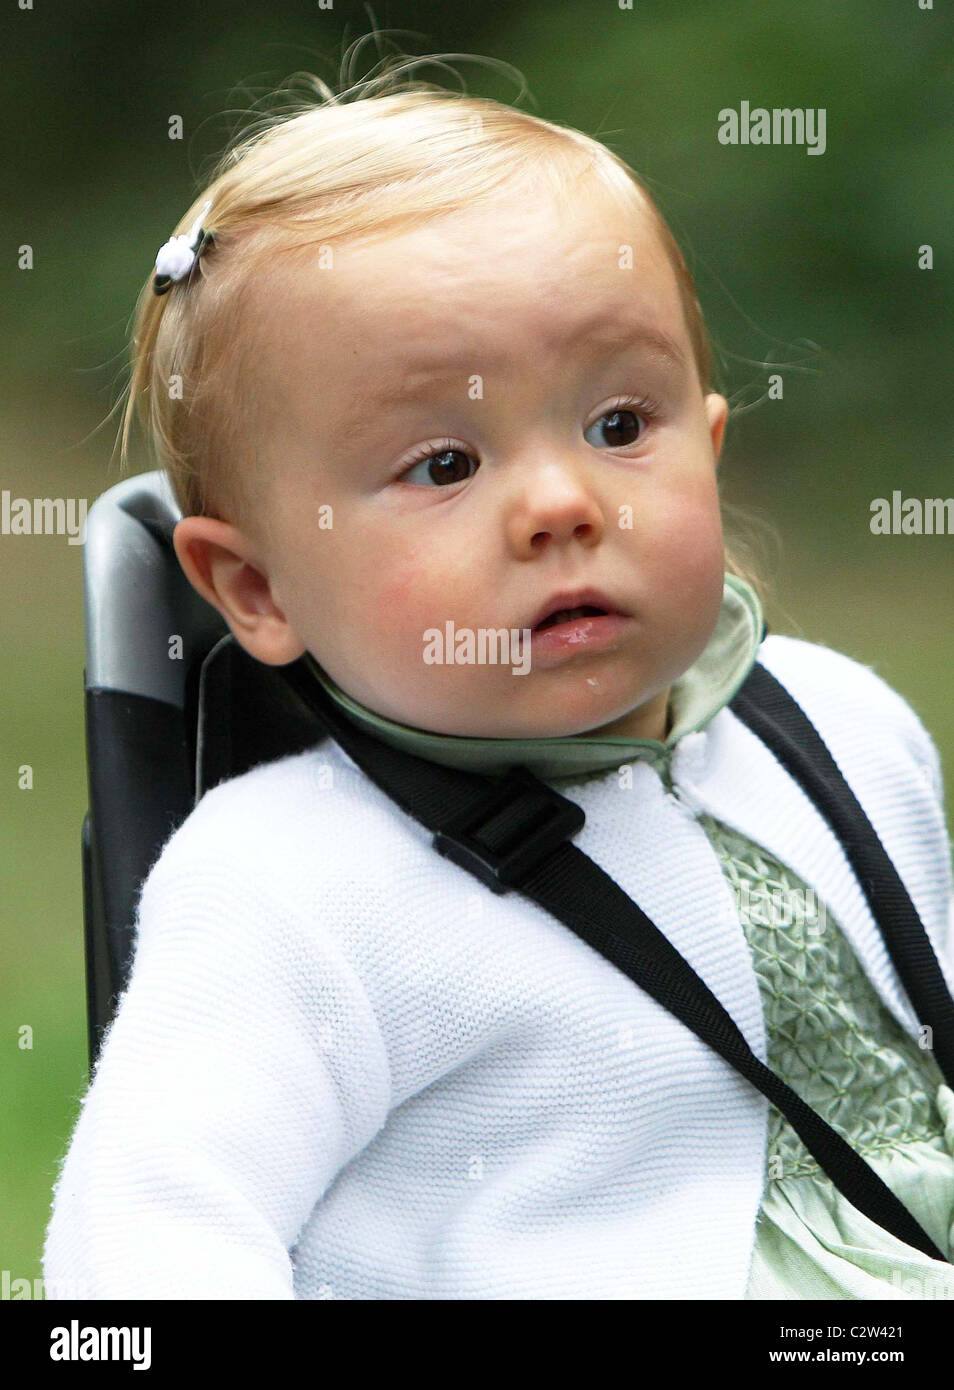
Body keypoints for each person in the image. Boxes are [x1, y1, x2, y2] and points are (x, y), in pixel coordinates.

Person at [43, 53, 954, 1300]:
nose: (563, 504)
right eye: (442, 463)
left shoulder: (849, 729)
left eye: (622, 425)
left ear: (714, 445)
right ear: (254, 590)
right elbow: (148, 1242)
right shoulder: (294, 886)